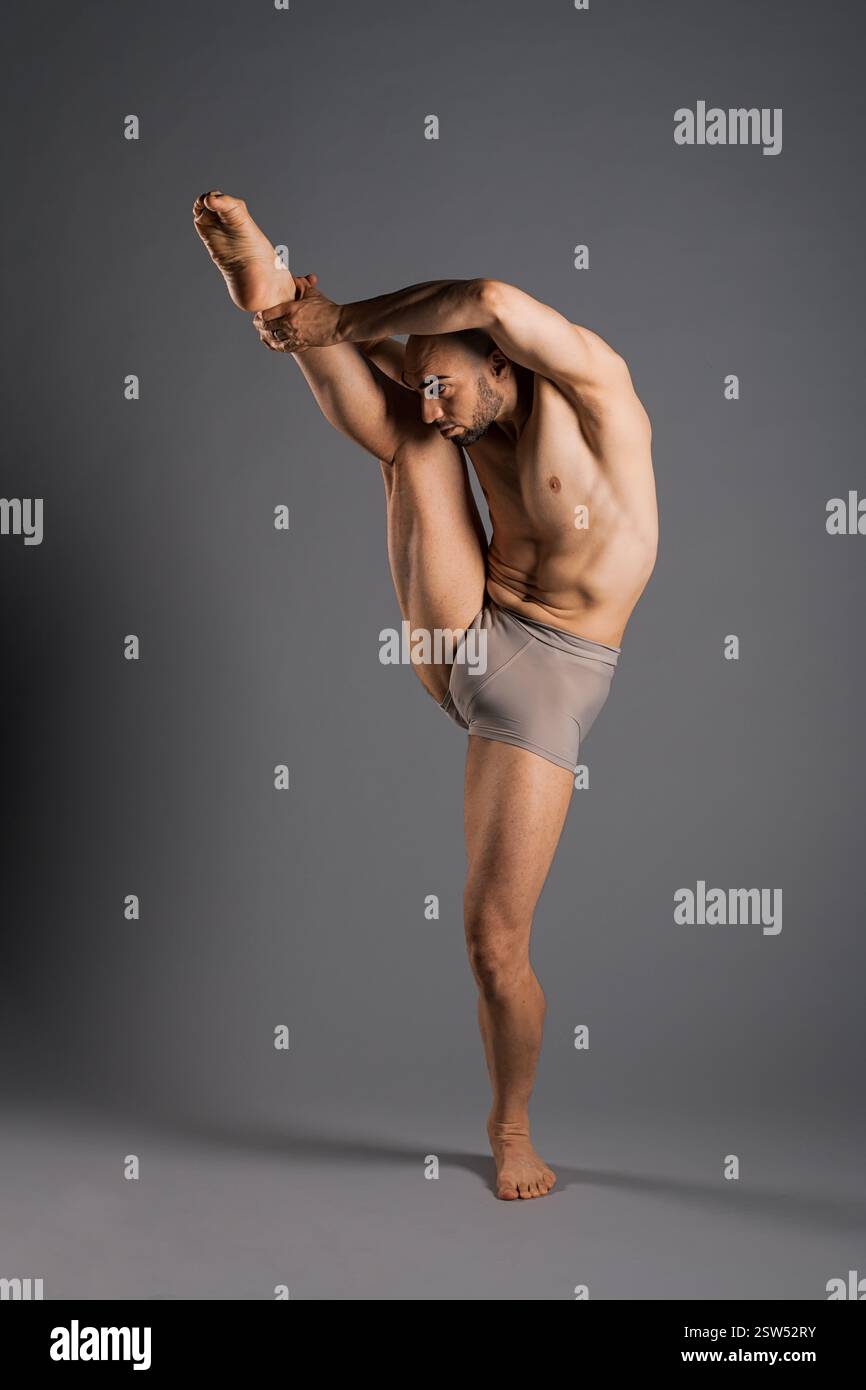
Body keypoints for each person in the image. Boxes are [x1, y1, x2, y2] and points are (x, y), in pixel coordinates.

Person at [193, 190, 658, 1200]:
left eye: (448, 383)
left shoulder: (596, 393)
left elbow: (488, 292)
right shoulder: (441, 397)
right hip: (463, 627)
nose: (437, 402)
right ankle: (262, 283)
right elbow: (402, 388)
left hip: (547, 681)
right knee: (403, 444)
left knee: (494, 941)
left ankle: (510, 1122)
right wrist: (310, 325)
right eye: (428, 382)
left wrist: (344, 318)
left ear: (503, 363)